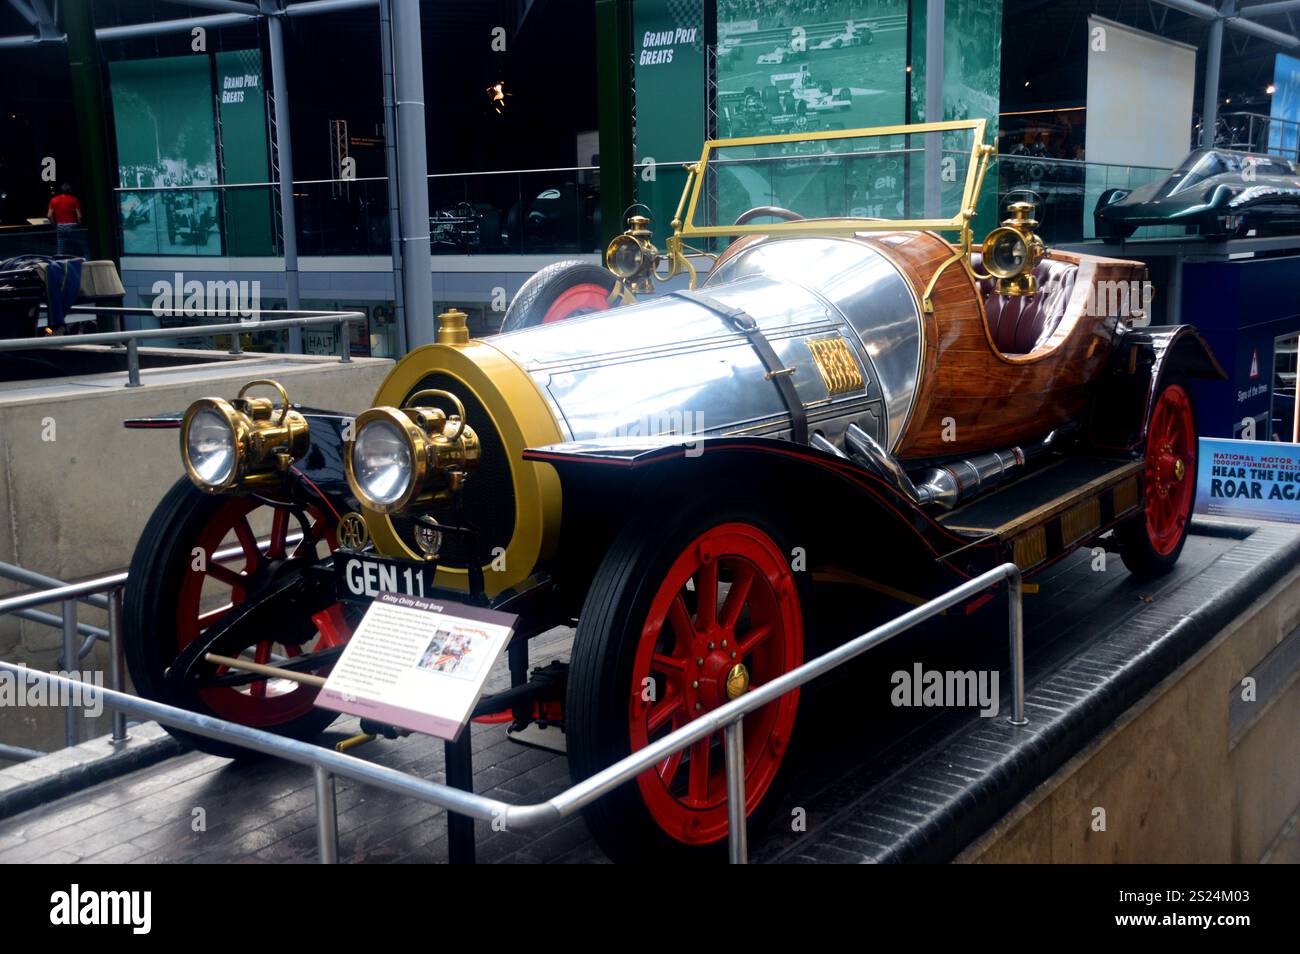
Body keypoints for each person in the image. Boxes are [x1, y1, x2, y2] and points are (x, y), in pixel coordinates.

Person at [47, 183, 87, 257]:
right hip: (73, 226)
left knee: (60, 248)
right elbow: (79, 216)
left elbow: (49, 215)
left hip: (60, 226)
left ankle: (59, 264)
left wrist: (54, 225)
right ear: (70, 190)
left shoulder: (54, 200)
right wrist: (79, 225)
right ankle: (85, 260)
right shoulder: (74, 200)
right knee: (82, 246)